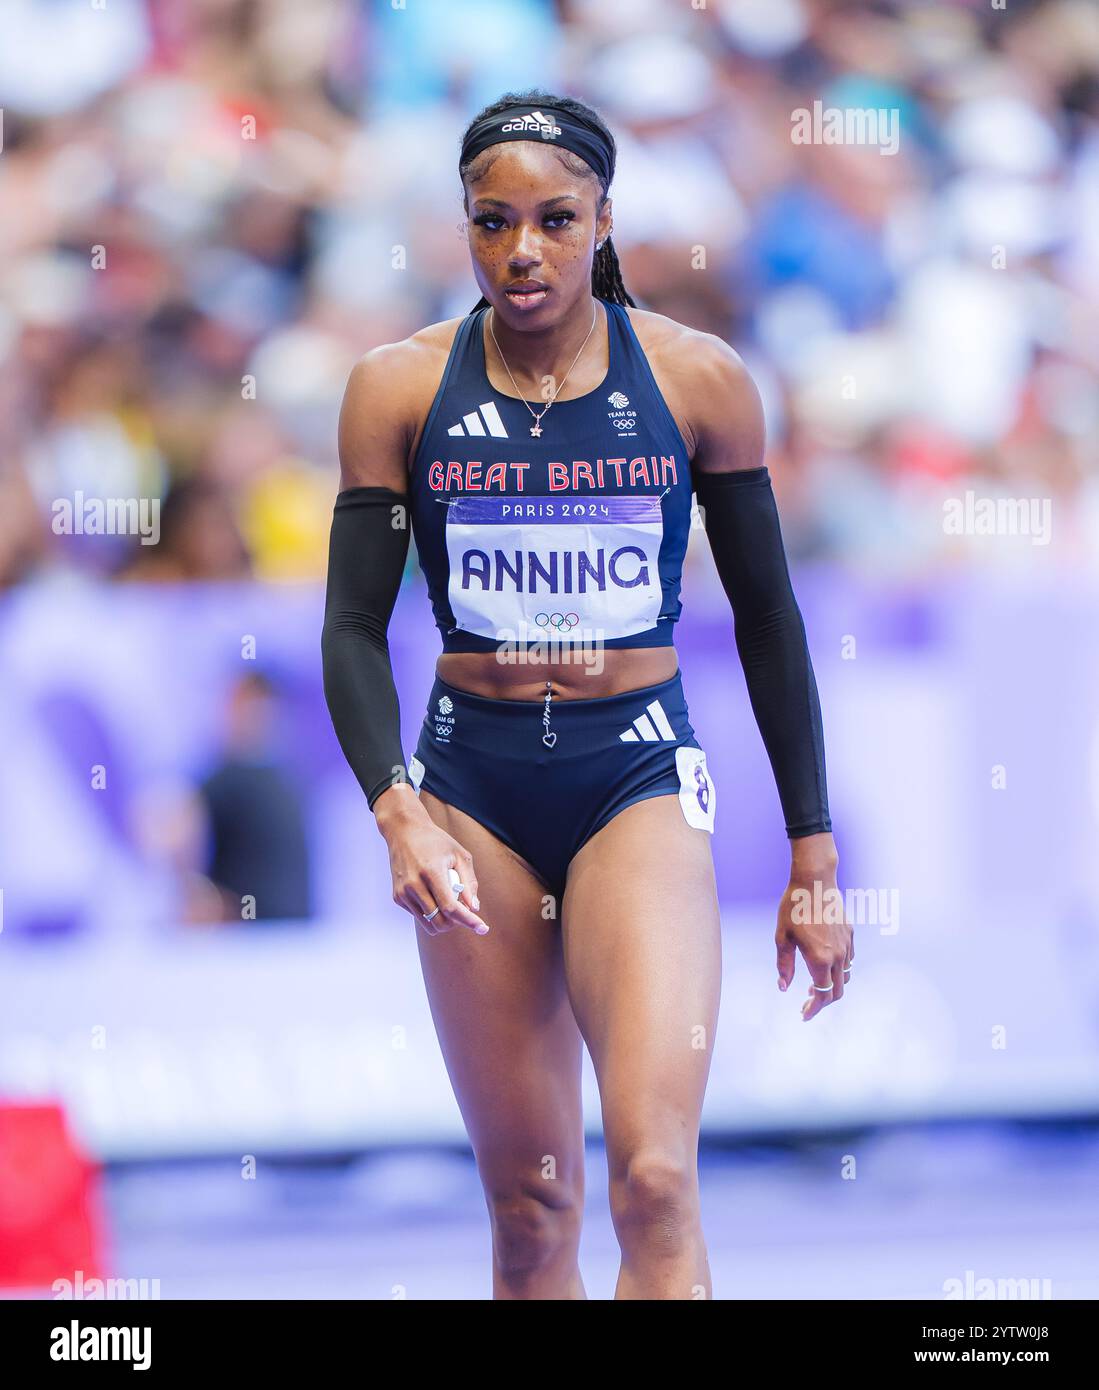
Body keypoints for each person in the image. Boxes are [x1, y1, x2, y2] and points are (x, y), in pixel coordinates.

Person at [322, 90, 852, 1300]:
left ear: (605, 219)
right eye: (491, 222)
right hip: (469, 793)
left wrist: (813, 858)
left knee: (655, 1180)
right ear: (462, 226)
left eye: (555, 221)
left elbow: (771, 623)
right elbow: (352, 627)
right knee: (530, 1206)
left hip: (635, 776)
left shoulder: (699, 380)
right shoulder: (396, 391)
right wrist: (396, 807)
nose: (521, 252)